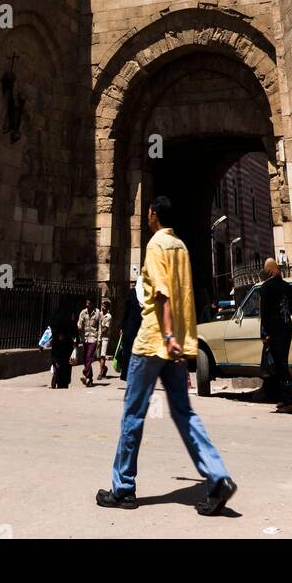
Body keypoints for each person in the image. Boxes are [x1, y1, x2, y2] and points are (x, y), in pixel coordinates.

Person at [96, 196, 236, 517]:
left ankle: (123, 488)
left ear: (154, 215)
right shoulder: (182, 247)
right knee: (184, 414)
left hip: (153, 343)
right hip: (176, 347)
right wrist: (179, 341)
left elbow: (162, 293)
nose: (146, 216)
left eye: (148, 212)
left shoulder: (157, 244)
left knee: (133, 414)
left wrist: (168, 334)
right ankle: (217, 477)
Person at [259, 257, 292, 414]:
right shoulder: (286, 286)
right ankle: (285, 400)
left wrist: (264, 334)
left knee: (281, 366)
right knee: (281, 363)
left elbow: (264, 314)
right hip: (286, 328)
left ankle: (290, 402)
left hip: (273, 331)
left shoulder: (265, 287)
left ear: (269, 271)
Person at [118, 278, 143, 381]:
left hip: (130, 327)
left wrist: (122, 326)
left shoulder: (131, 293)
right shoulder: (147, 295)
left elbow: (126, 311)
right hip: (142, 328)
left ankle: (126, 374)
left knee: (128, 351)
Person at [49, 301, 77, 390]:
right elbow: (74, 330)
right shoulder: (71, 316)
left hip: (57, 344)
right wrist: (76, 342)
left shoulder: (56, 315)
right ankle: (64, 382)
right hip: (67, 345)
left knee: (57, 362)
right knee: (66, 365)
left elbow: (51, 328)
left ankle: (57, 376)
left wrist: (57, 335)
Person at [77, 297, 100, 387]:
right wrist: (79, 326)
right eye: (86, 303)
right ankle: (89, 379)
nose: (87, 305)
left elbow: (100, 327)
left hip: (93, 338)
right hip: (85, 338)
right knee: (86, 359)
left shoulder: (97, 313)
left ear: (93, 304)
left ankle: (85, 373)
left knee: (89, 356)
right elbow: (79, 323)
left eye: (89, 303)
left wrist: (99, 339)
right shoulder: (83, 312)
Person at [97, 297, 113, 379]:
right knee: (97, 356)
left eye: (104, 306)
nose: (103, 307)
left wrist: (99, 335)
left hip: (105, 337)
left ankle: (100, 373)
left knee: (102, 355)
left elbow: (105, 329)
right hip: (98, 336)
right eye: (102, 305)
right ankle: (104, 368)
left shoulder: (108, 316)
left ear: (107, 308)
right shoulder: (99, 314)